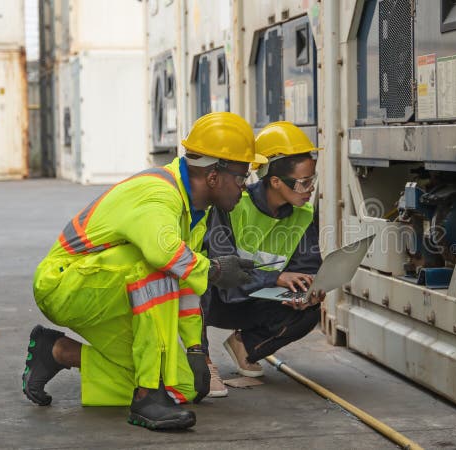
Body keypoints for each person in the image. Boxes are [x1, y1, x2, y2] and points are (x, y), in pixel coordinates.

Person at [22, 112, 268, 431]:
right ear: (213, 177)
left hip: (111, 293)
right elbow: (164, 255)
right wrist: (216, 270)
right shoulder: (159, 193)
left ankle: (57, 352)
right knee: (158, 267)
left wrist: (195, 349)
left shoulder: (196, 212)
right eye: (241, 177)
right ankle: (147, 396)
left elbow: (186, 279)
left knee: (187, 387)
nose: (243, 188)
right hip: (66, 285)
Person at [200, 121, 325, 396]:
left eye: (312, 180)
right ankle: (202, 362)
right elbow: (221, 269)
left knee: (308, 311)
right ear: (276, 181)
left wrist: (308, 290)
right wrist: (276, 277)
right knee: (199, 279)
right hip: (218, 298)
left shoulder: (303, 215)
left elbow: (307, 266)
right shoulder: (233, 204)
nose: (310, 189)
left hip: (255, 301)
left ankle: (245, 344)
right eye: (304, 182)